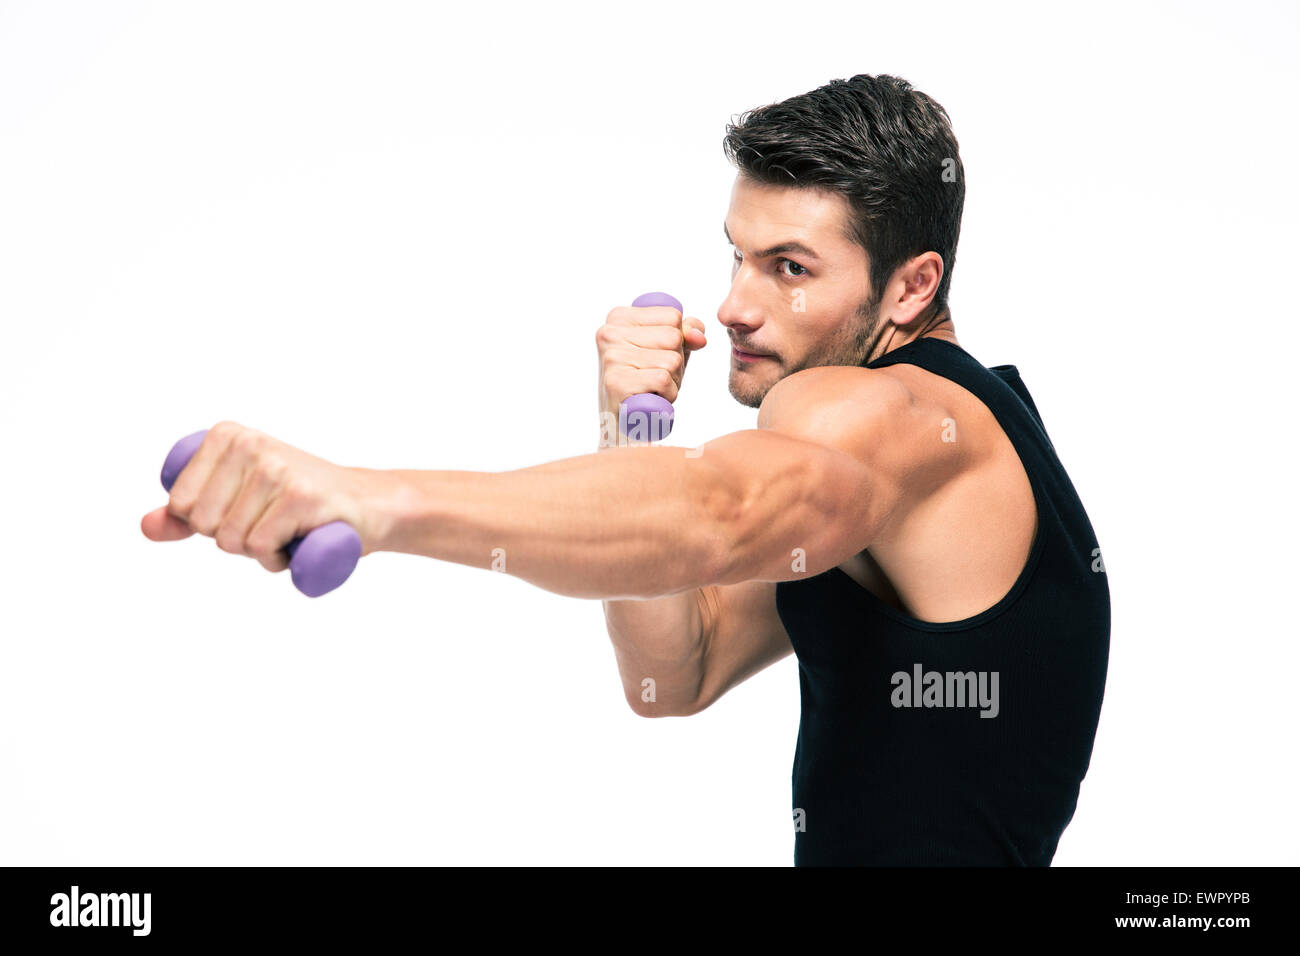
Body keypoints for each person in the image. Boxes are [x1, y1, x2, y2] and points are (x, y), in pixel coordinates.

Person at [141, 73, 1109, 866]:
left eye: (790, 268)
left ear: (911, 284)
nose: (733, 305)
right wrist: (631, 436)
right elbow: (675, 670)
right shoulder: (949, 446)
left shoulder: (893, 414)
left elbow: (718, 509)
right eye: (735, 257)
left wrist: (370, 498)